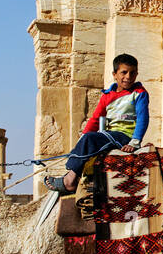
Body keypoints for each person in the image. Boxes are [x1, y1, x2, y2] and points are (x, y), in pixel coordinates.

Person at [45, 53, 148, 194]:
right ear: (115, 74)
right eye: (124, 72)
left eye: (132, 73)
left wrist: (134, 142)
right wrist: (83, 136)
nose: (128, 77)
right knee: (87, 138)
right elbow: (95, 118)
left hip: (124, 137)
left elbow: (143, 118)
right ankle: (71, 172)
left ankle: (69, 181)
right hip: (109, 134)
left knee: (90, 139)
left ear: (137, 74)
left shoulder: (139, 93)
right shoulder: (107, 95)